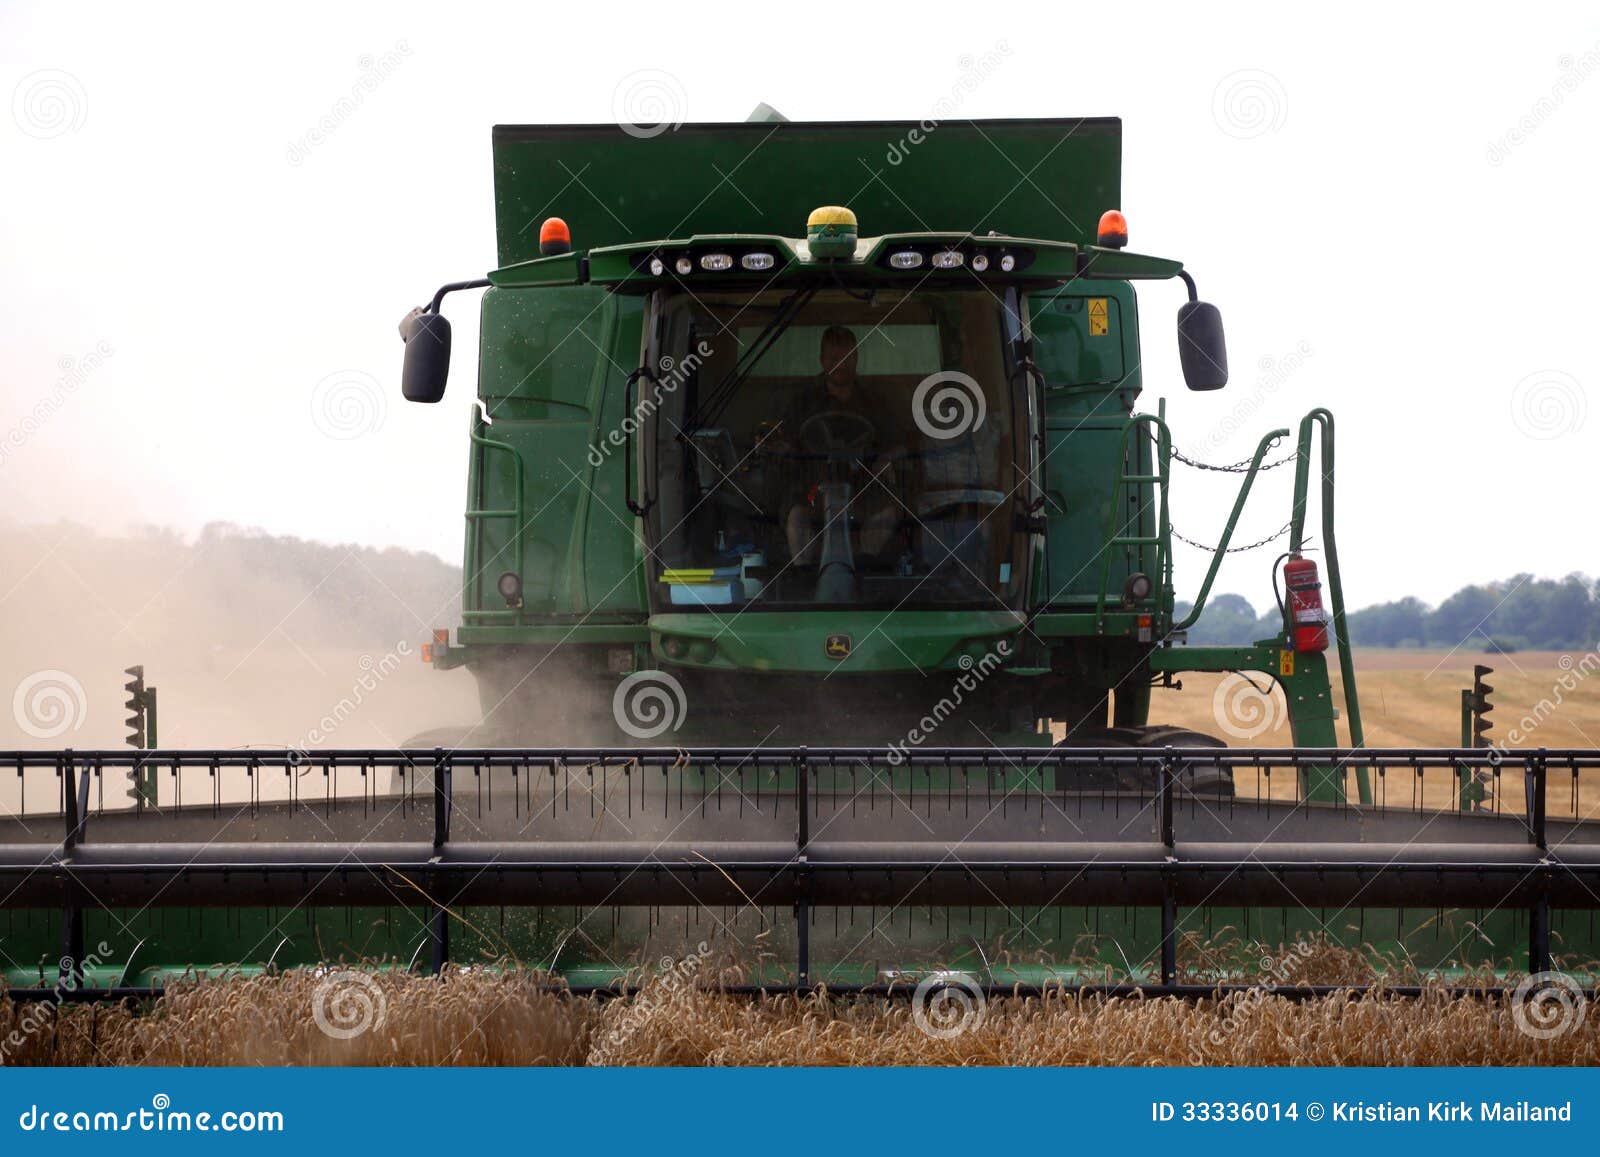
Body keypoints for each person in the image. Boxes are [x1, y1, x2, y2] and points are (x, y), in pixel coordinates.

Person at [778, 326, 902, 565]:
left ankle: (866, 572)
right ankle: (802, 579)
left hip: (863, 487)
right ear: (822, 361)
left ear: (856, 359)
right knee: (796, 516)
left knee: (887, 510)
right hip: (813, 488)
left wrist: (887, 458)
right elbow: (785, 440)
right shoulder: (805, 401)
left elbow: (900, 443)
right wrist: (781, 449)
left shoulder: (874, 401)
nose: (842, 364)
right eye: (835, 358)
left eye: (848, 357)